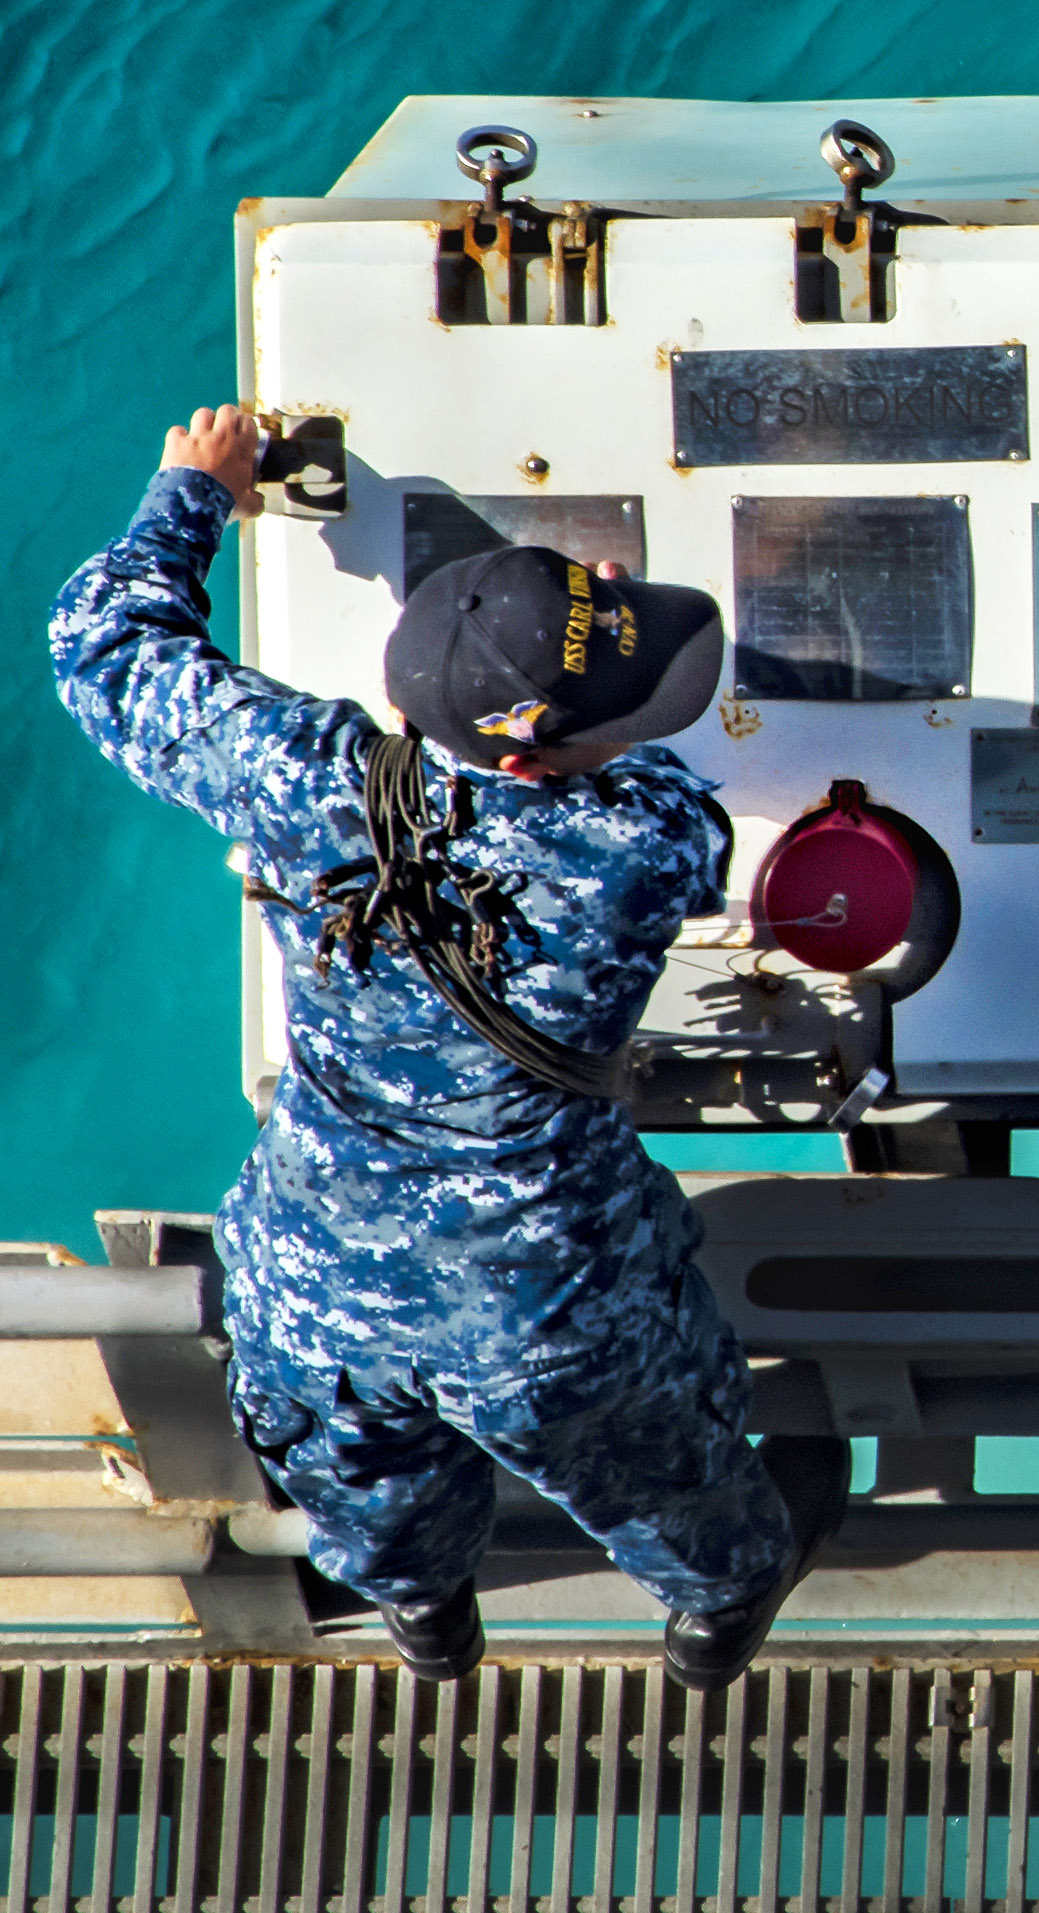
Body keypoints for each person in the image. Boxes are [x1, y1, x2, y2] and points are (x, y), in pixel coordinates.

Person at [48, 404, 845, 1687]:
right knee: (654, 1465)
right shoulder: (642, 844)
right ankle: (717, 1608)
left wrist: (189, 489)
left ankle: (428, 1613)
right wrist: (596, 662)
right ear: (539, 749)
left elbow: (103, 649)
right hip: (542, 1299)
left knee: (369, 1483)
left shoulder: (301, 777)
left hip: (315, 1271)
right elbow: (675, 812)